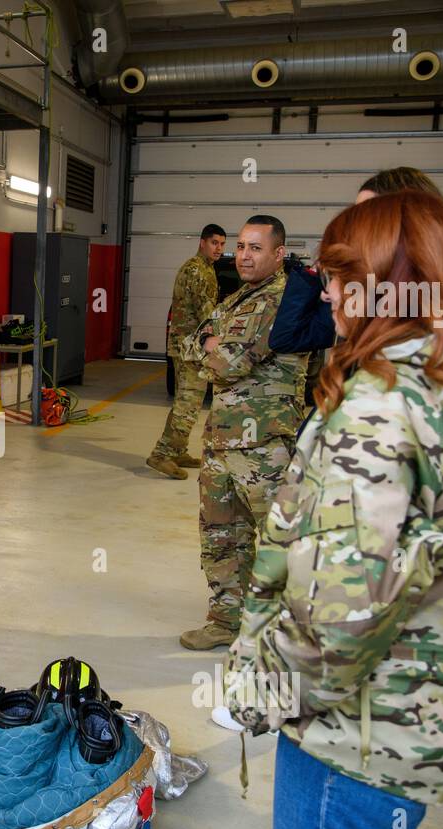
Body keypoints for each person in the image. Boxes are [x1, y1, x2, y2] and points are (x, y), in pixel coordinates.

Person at [224, 190, 443, 829]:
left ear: (382, 287)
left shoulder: (382, 403)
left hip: (357, 730)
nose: (328, 295)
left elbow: (342, 617)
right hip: (425, 709)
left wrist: (259, 690)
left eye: (339, 277)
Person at [177, 216, 308, 651]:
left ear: (278, 254)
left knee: (279, 546)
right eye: (241, 246)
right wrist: (212, 344)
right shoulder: (237, 298)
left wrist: (213, 345)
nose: (244, 255)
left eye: (256, 248)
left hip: (264, 448)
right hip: (220, 441)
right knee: (221, 537)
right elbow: (189, 344)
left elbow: (229, 363)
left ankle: (282, 636)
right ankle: (225, 620)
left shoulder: (284, 300)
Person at [269, 167, 443, 356]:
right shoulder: (362, 295)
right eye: (357, 216)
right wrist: (316, 273)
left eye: (369, 218)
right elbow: (286, 339)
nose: (355, 227)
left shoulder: (433, 319)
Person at [147, 224, 225, 479]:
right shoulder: (198, 271)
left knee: (184, 401)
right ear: (202, 242)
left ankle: (177, 450)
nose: (219, 249)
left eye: (222, 244)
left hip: (187, 346)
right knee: (188, 404)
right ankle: (161, 454)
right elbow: (206, 314)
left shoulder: (204, 268)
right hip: (190, 348)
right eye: (214, 243)